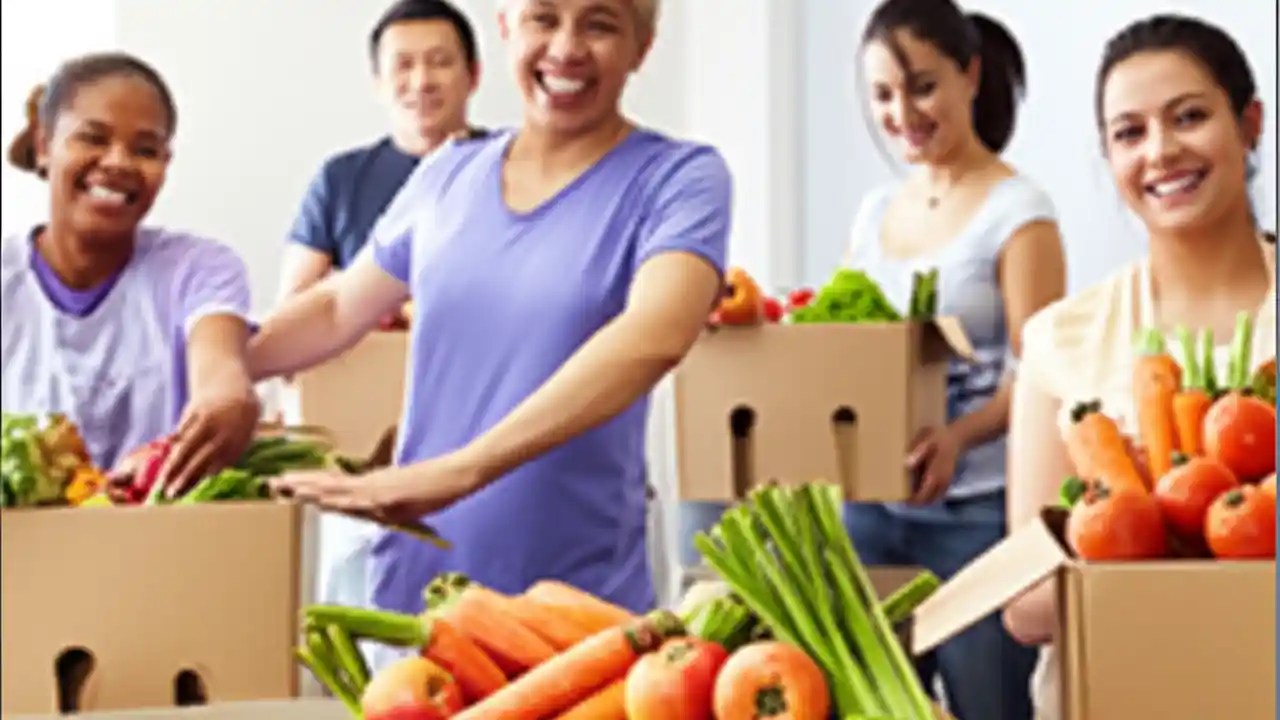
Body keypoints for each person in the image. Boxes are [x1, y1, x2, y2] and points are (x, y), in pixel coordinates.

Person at [251, 0, 730, 662]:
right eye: (543, 18)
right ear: (506, 28)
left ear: (641, 47)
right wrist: (216, 367)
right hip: (416, 607)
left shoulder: (678, 178)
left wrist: (458, 472)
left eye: (600, 24)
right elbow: (336, 308)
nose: (566, 47)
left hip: (577, 616)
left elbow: (655, 334)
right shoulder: (448, 171)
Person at [1002, 14, 1276, 720]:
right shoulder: (1061, 340)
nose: (1160, 151)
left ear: (1249, 124)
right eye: (1129, 133)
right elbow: (1027, 607)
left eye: (1189, 117)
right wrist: (1137, 525)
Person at [835, 0, 1067, 718]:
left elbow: (1041, 373)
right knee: (874, 706)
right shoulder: (874, 213)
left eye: (922, 87)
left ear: (970, 75)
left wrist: (957, 437)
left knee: (987, 707)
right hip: (871, 511)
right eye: (882, 95)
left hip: (976, 519)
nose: (901, 113)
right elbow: (846, 347)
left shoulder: (1018, 210)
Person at [0, 53, 259, 493]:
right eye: (93, 138)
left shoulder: (197, 269)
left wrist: (227, 398)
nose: (118, 162)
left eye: (145, 150)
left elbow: (219, 366)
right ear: (44, 147)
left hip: (156, 528)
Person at [277, 0, 485, 300]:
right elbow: (292, 304)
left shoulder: (509, 166)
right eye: (403, 65)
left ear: (473, 75)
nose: (421, 81)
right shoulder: (340, 178)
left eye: (440, 62)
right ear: (378, 82)